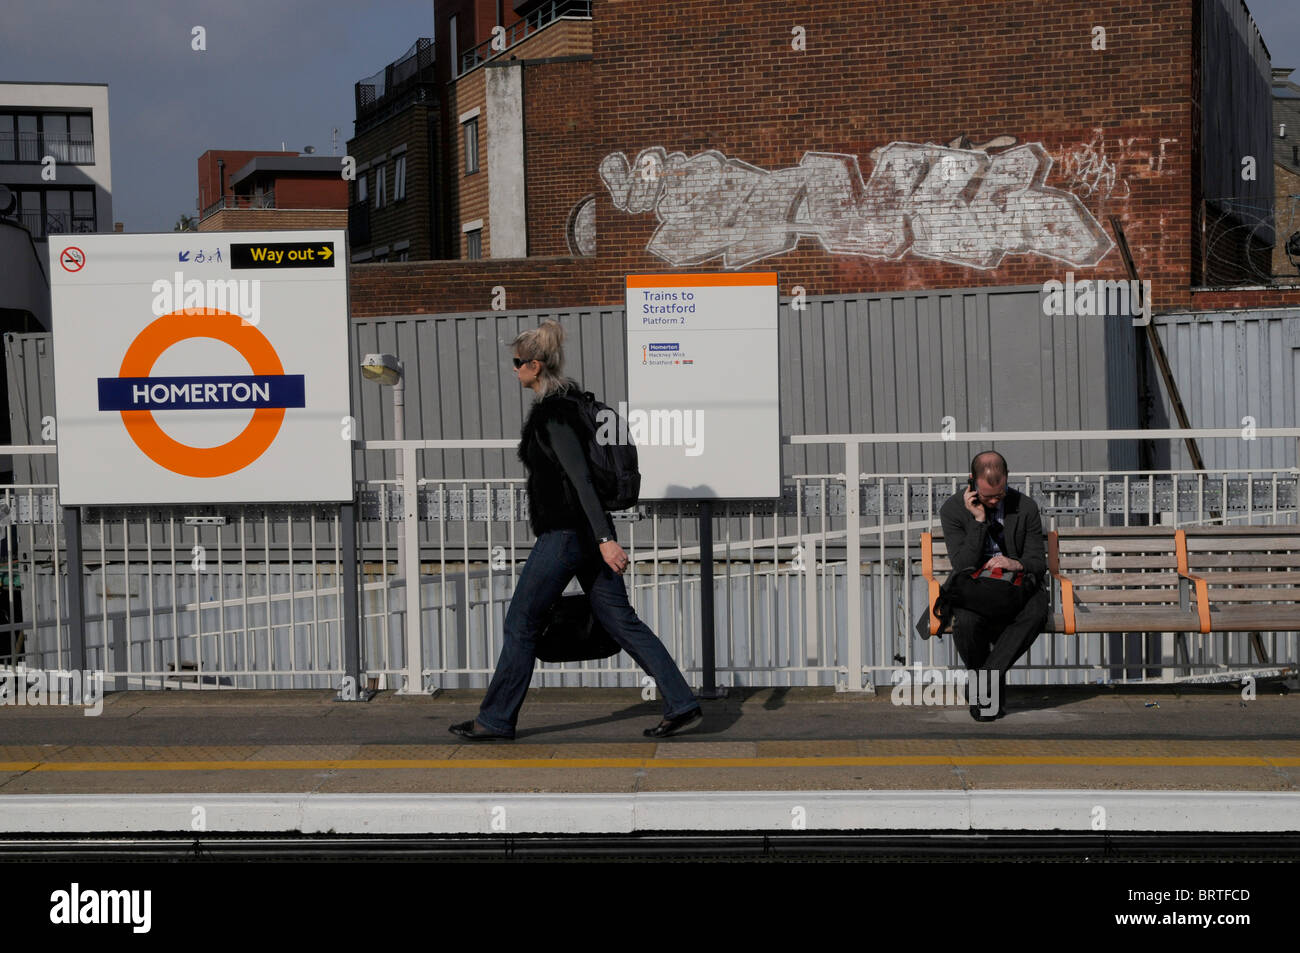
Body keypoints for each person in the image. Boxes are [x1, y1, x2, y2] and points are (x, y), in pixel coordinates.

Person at [450, 320, 703, 741]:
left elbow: (581, 478)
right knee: (620, 621)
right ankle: (681, 702)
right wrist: (600, 536)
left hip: (568, 534)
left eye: (517, 363)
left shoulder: (555, 414)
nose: (513, 370)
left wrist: (606, 540)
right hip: (585, 532)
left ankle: (495, 720)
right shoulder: (572, 405)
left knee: (521, 623)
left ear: (534, 365)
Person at [937, 451, 1049, 721]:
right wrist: (978, 520)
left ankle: (982, 685)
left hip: (1018, 585)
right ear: (972, 484)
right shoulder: (953, 510)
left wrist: (1014, 563)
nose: (995, 500)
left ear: (1007, 479)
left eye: (999, 494)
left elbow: (1036, 561)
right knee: (965, 622)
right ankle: (989, 695)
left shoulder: (1025, 507)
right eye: (987, 496)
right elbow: (963, 564)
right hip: (974, 587)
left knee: (1036, 612)